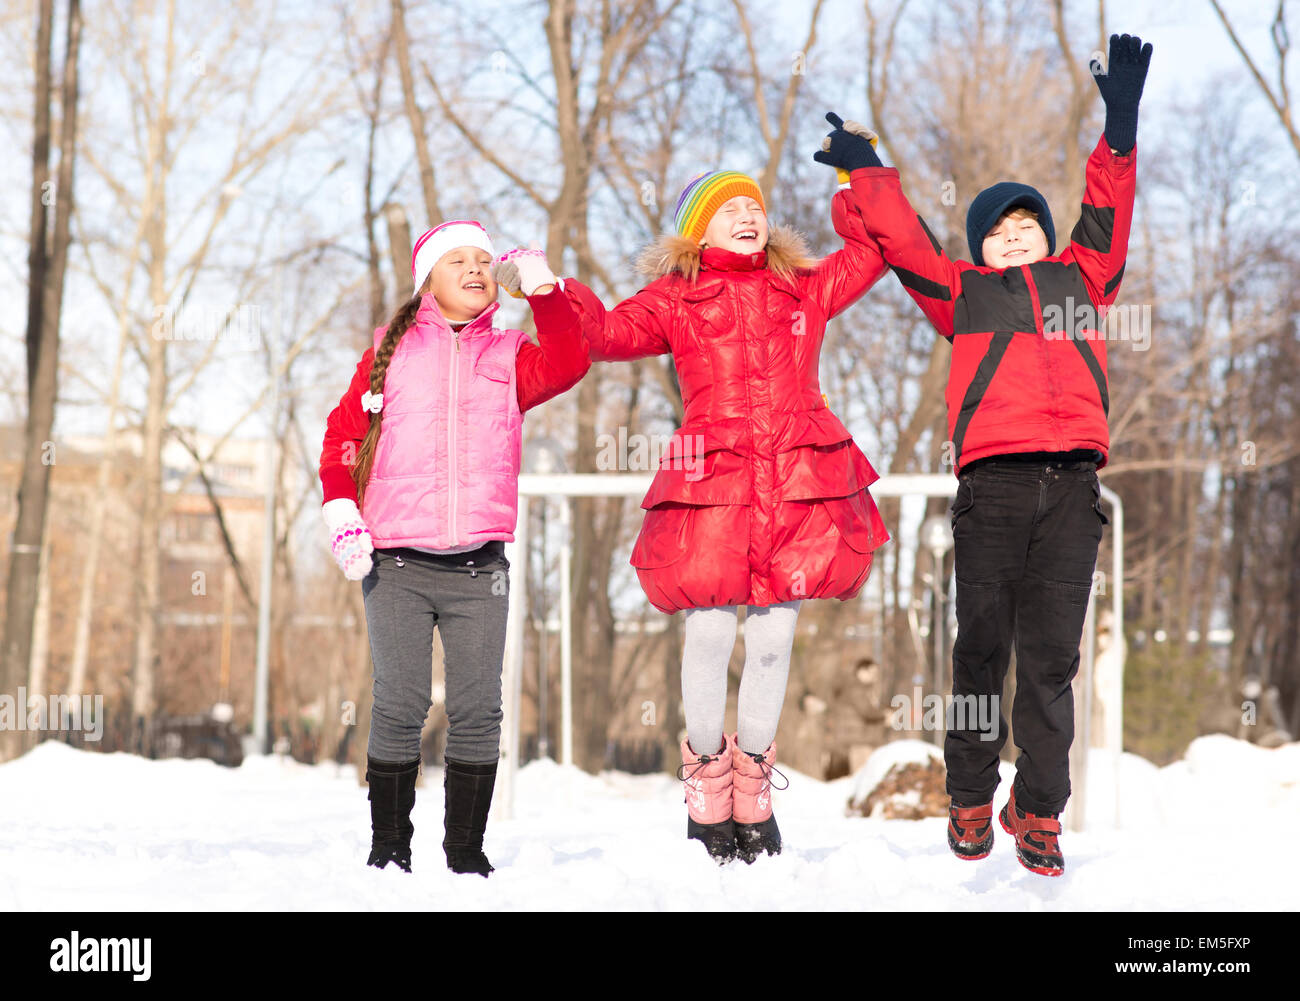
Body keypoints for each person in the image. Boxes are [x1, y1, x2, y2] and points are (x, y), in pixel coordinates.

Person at [818, 34, 1151, 876]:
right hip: (993, 487)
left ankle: (1038, 809)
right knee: (981, 645)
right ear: (980, 249)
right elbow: (902, 237)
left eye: (1026, 225)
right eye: (998, 231)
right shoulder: (961, 294)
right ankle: (969, 789)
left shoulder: (1083, 279)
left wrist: (1119, 126)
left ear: (1046, 238)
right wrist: (867, 169)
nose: (1014, 236)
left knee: (1052, 659)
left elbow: (1106, 206)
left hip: (1074, 487)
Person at [562, 166, 891, 863]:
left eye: (756, 206)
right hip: (713, 483)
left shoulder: (803, 288)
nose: (749, 214)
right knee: (709, 632)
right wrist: (551, 289)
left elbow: (871, 252)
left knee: (773, 639)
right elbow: (607, 334)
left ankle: (754, 791)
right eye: (730, 207)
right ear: (698, 228)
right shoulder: (677, 297)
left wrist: (857, 176)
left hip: (794, 477)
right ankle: (706, 787)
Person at [318, 221, 589, 876]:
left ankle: (466, 853)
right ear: (427, 280)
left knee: (478, 705)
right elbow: (341, 436)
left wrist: (547, 293)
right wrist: (342, 511)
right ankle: (389, 848)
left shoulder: (510, 353)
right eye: (457, 260)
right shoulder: (390, 352)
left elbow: (571, 361)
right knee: (401, 700)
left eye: (484, 261)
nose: (474, 268)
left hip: (479, 569)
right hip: (396, 564)